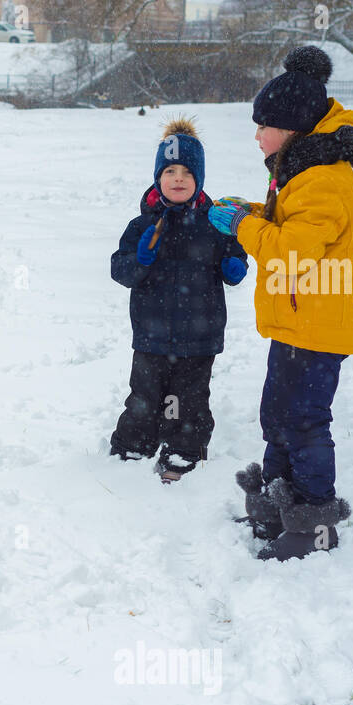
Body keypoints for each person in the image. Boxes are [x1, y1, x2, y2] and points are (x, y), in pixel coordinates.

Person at [208, 45, 353, 560]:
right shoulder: (303, 170)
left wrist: (244, 225)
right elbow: (290, 224)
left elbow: (289, 251)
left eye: (263, 126)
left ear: (292, 128)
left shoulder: (323, 179)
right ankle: (277, 504)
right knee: (276, 415)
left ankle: (315, 522)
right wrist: (254, 209)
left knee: (303, 421)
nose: (256, 135)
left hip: (318, 328)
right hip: (297, 323)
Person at [109, 118, 248, 482]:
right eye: (170, 170)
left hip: (199, 335)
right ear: (158, 176)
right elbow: (120, 272)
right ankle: (133, 446)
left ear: (198, 179)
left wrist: (235, 262)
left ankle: (183, 453)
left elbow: (234, 263)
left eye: (187, 171)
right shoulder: (142, 225)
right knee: (144, 396)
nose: (178, 178)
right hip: (152, 335)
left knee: (189, 401)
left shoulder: (214, 223)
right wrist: (138, 260)